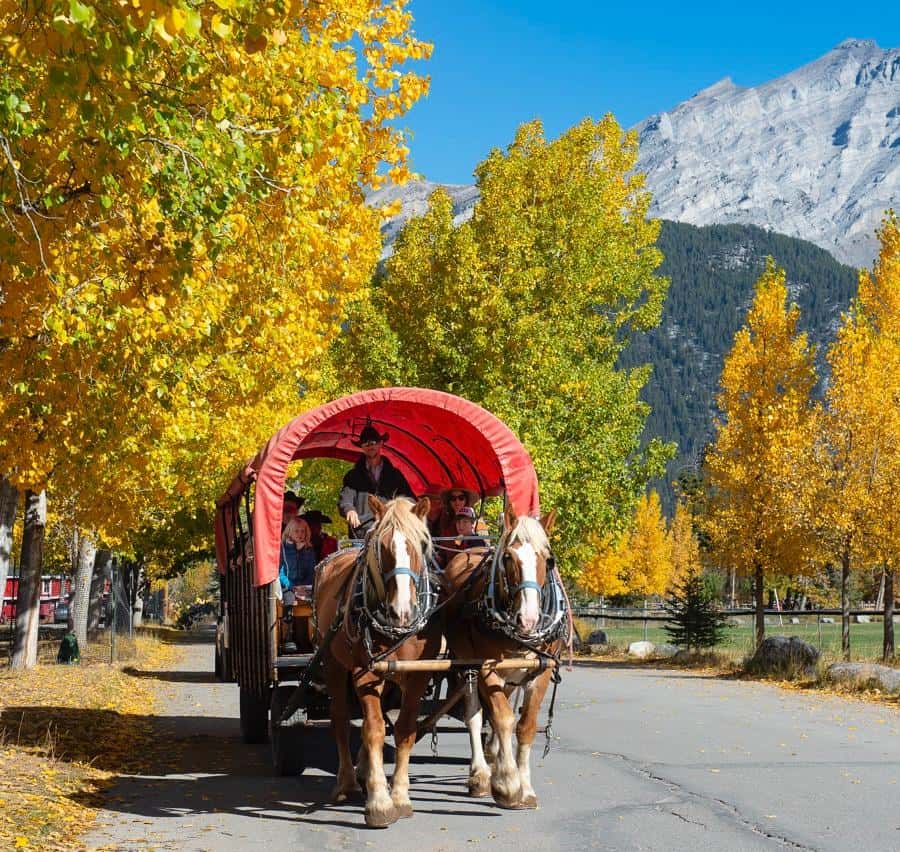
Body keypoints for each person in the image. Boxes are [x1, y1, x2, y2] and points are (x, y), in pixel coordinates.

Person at [338, 423, 414, 538]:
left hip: (390, 529)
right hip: (362, 532)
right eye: (365, 443)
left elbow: (409, 499)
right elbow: (345, 499)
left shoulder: (394, 475)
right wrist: (349, 509)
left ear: (380, 444)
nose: (370, 446)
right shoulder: (353, 476)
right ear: (362, 447)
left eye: (373, 442)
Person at [279, 516, 317, 590]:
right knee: (290, 599)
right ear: (289, 532)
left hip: (305, 587)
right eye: (296, 531)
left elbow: (312, 571)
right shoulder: (283, 548)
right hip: (287, 587)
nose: (300, 534)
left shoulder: (308, 549)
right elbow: (280, 572)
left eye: (302, 531)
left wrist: (305, 586)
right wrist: (291, 586)